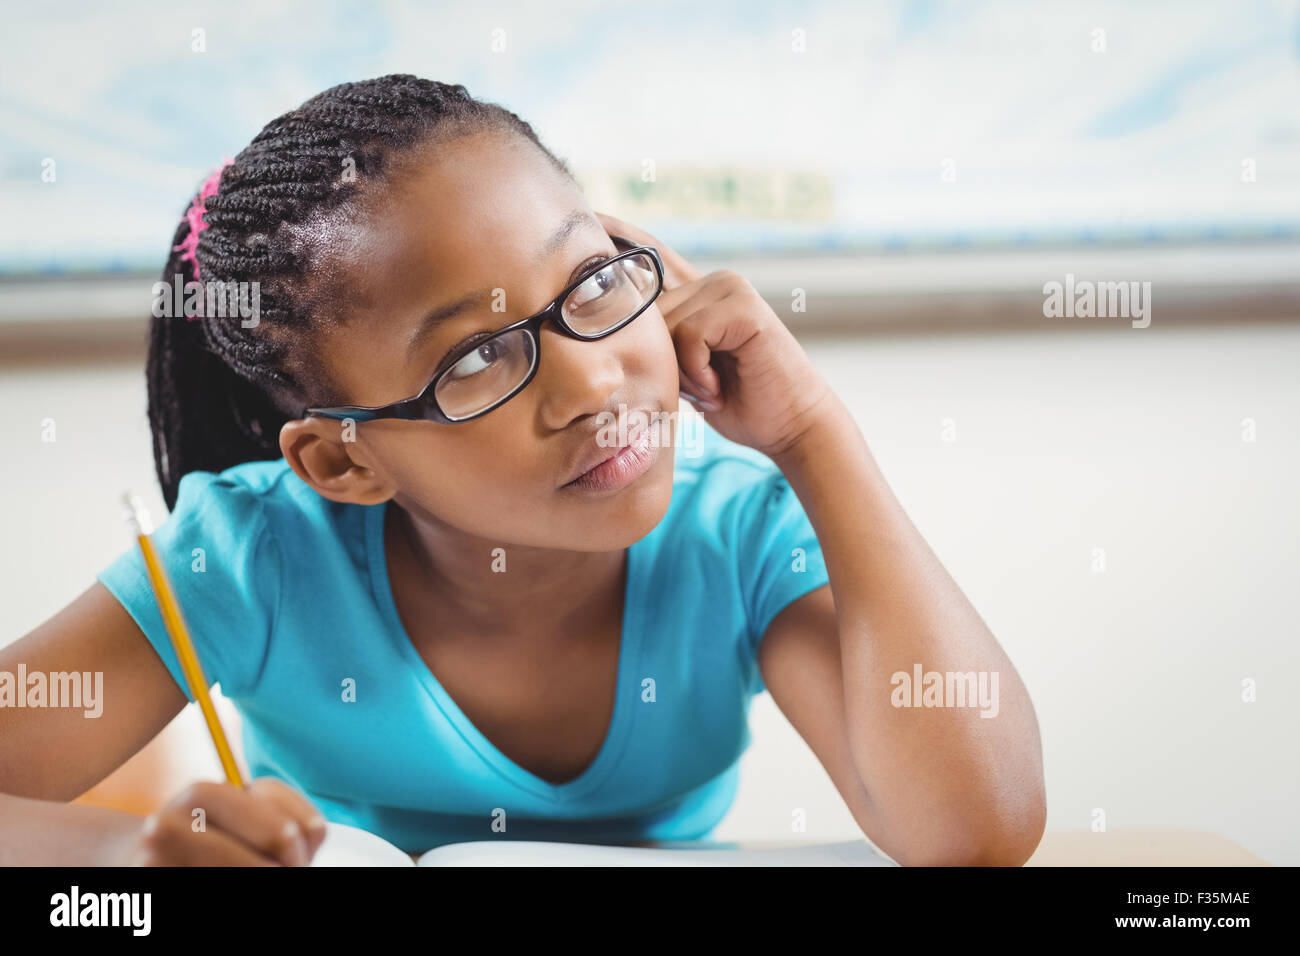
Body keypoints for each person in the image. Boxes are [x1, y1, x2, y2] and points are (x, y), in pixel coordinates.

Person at [0, 75, 1045, 866]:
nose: (593, 383)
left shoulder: (734, 533)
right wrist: (123, 856)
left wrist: (813, 431)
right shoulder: (248, 556)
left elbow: (977, 831)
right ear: (343, 459)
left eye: (593, 281)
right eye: (479, 355)